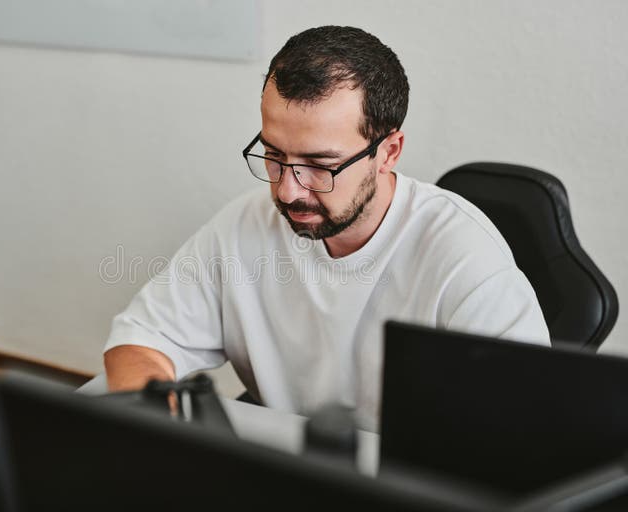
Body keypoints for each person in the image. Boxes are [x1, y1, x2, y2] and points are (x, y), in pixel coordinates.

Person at [103, 26, 549, 428]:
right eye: (274, 155)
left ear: (389, 152)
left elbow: (521, 425)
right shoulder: (244, 225)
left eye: (320, 165)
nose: (288, 190)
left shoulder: (465, 260)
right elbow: (141, 340)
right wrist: (157, 431)